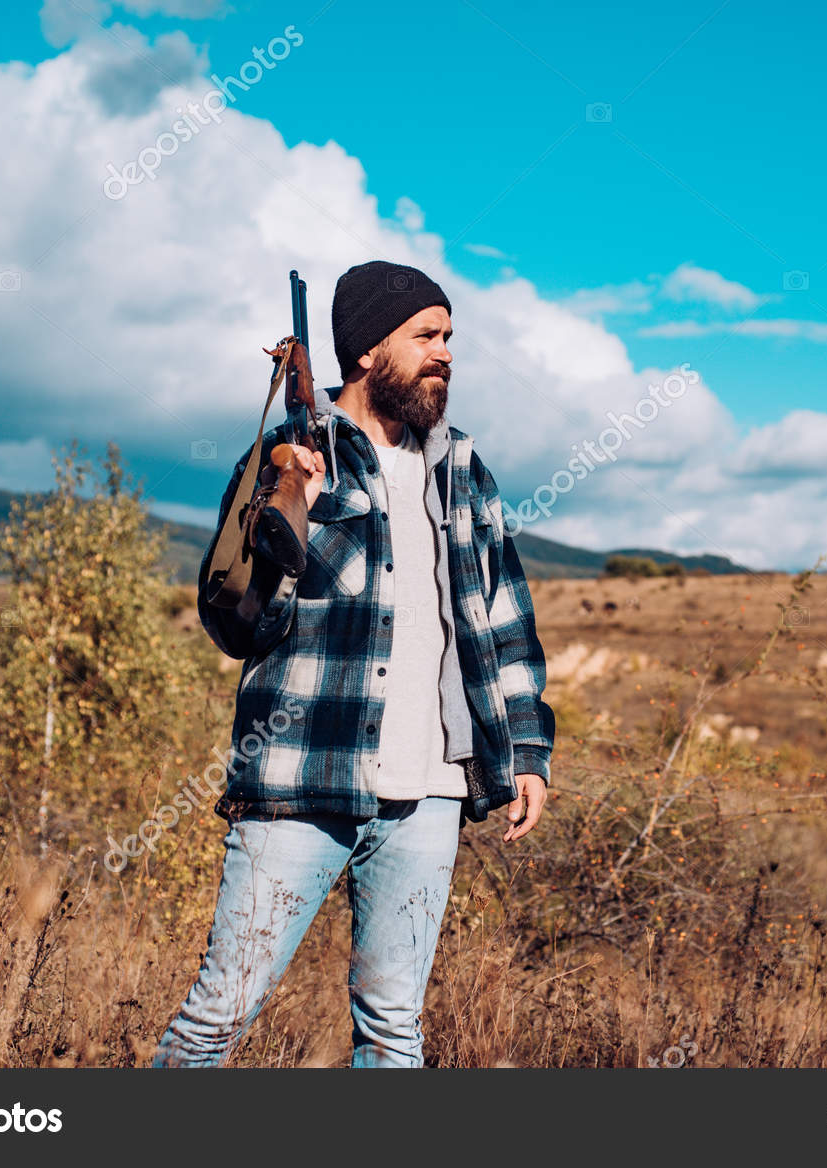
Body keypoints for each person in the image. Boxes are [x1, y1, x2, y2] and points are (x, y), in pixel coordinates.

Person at [152, 260, 556, 1068]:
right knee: (216, 1019)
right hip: (303, 779)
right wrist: (286, 519)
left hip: (433, 791)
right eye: (426, 336)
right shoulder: (288, 455)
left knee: (393, 1030)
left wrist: (527, 752)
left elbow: (505, 620)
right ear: (369, 350)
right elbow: (234, 623)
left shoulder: (464, 469)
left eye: (449, 337)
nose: (445, 352)